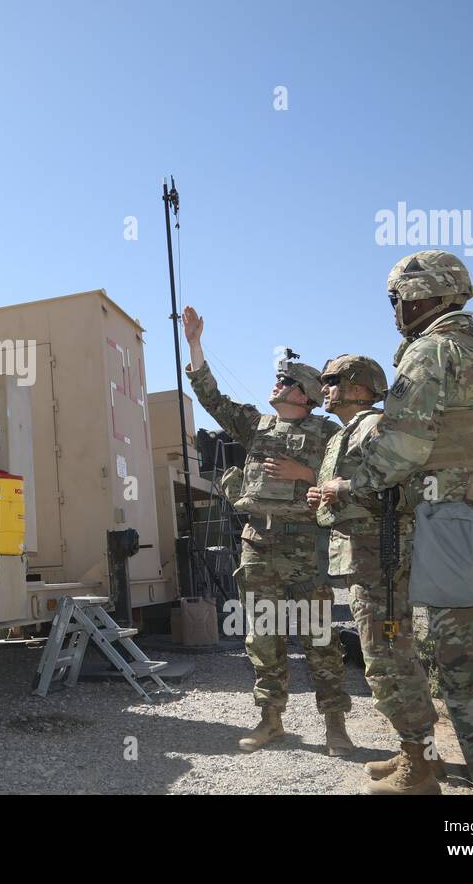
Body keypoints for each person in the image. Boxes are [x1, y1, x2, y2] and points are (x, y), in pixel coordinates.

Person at [320, 250, 473, 795]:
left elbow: (399, 449)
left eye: (396, 299)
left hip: (457, 529)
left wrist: (347, 484)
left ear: (420, 295)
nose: (394, 310)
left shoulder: (431, 350)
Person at [181, 307, 353, 754]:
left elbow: (353, 482)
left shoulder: (327, 432)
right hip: (258, 542)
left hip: (304, 544)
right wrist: (195, 345)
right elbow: (211, 398)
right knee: (262, 635)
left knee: (318, 635)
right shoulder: (257, 426)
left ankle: (335, 724)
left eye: (286, 381)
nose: (276, 385)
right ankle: (270, 720)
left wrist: (305, 473)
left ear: (306, 395)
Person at [308, 355, 440, 794]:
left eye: (332, 381)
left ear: (359, 387)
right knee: (386, 654)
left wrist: (341, 489)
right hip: (360, 554)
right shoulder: (346, 434)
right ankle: (414, 751)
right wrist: (327, 497)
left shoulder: (375, 425)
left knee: (388, 659)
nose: (324, 388)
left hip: (379, 556)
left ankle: (420, 769)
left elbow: (406, 487)